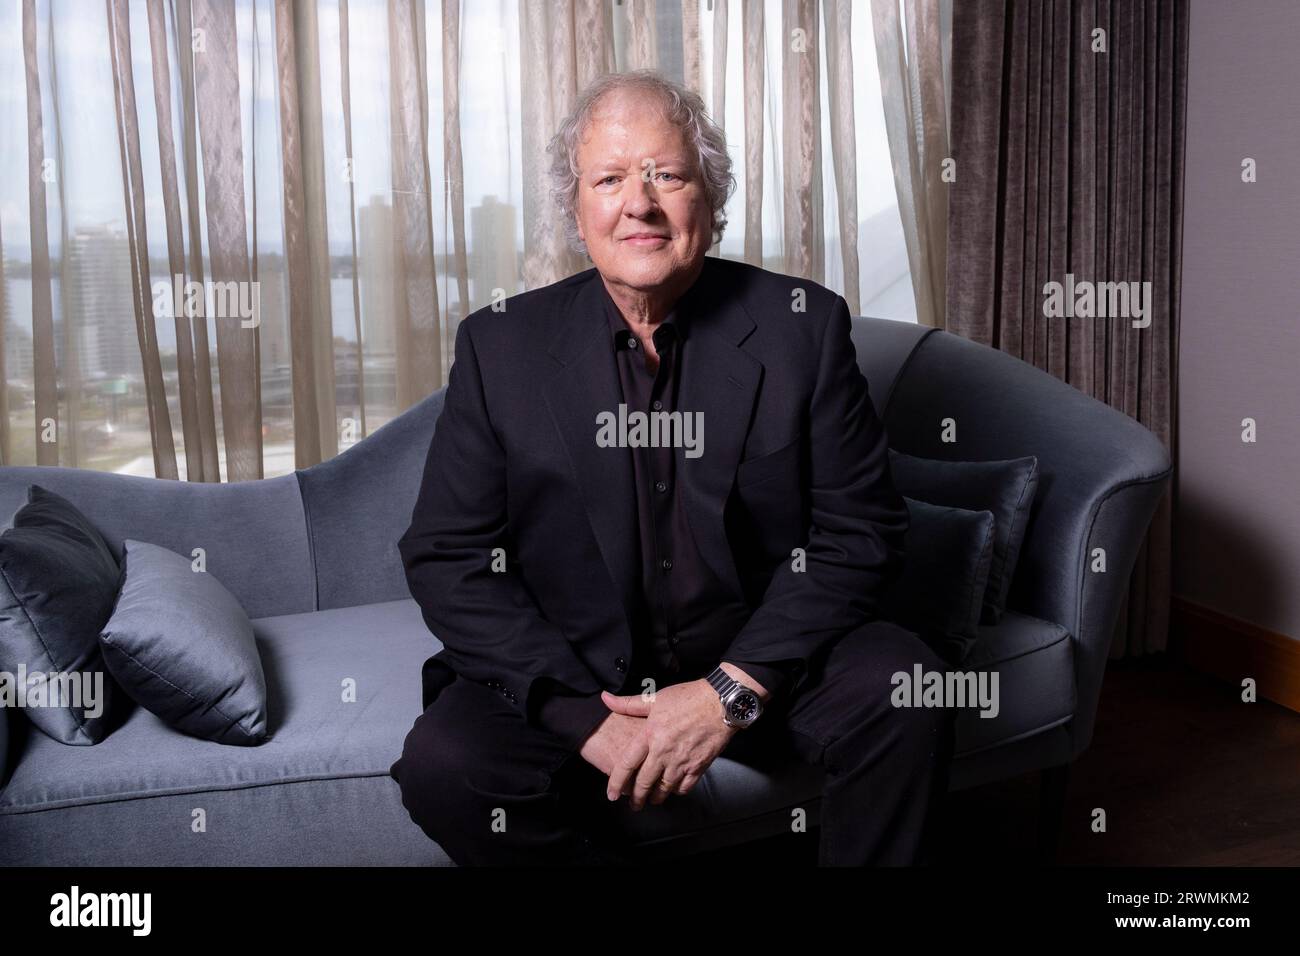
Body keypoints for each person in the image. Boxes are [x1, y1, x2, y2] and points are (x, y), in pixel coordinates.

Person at [389, 69, 954, 866]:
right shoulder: (500, 346)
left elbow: (859, 533)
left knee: (905, 689)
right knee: (447, 769)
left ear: (709, 201)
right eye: (610, 178)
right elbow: (449, 557)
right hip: (580, 669)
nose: (640, 203)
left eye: (667, 174)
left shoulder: (804, 328)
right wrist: (586, 719)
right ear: (578, 210)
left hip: (763, 652)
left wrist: (733, 689)